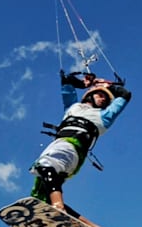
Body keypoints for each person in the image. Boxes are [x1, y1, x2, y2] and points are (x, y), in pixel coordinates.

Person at [29, 71, 132, 213]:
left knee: (45, 166)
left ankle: (58, 206)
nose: (104, 100)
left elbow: (125, 95)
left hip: (73, 146)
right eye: (100, 95)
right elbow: (67, 80)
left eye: (106, 99)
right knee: (41, 193)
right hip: (59, 145)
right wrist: (84, 84)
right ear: (90, 95)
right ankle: (90, 224)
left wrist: (107, 87)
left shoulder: (105, 116)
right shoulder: (73, 107)